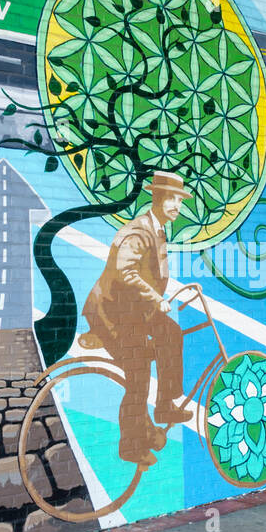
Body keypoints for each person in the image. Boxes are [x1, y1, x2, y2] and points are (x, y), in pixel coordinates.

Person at [82, 171, 193, 466]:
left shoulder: (157, 229)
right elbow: (126, 272)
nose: (176, 206)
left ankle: (164, 406)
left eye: (179, 200)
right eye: (170, 199)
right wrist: (157, 299)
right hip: (113, 313)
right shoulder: (137, 231)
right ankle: (130, 447)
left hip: (135, 309)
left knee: (171, 333)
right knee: (139, 374)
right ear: (156, 198)